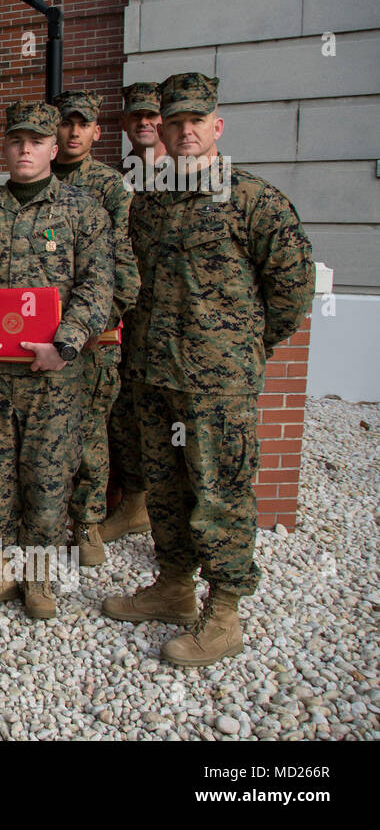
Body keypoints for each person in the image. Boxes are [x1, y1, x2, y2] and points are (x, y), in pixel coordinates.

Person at [102, 73, 314, 666]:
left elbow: (291, 289)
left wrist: (244, 347)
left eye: (198, 121)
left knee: (219, 492)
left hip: (216, 384)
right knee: (166, 490)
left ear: (217, 127)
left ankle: (223, 614)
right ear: (162, 131)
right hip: (151, 375)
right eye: (175, 122)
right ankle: (173, 587)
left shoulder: (252, 199)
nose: (186, 130)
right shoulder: (147, 201)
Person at [0, 101, 112, 619]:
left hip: (52, 373)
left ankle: (37, 577)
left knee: (48, 474)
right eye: (16, 141)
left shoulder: (83, 211)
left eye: (36, 141)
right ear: (4, 148)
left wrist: (66, 344)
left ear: (54, 149)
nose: (25, 150)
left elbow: (98, 286)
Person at [51, 90, 140, 565]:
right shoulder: (32, 182)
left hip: (93, 339)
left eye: (82, 124)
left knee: (89, 430)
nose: (73, 132)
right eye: (66, 123)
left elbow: (123, 270)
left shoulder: (108, 188)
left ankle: (86, 523)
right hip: (40, 336)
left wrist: (89, 327)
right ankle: (43, 521)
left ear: (97, 132)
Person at [103, 81, 165, 544]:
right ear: (124, 124)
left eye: (153, 116)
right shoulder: (119, 178)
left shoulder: (189, 173)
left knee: (173, 421)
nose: (144, 123)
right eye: (136, 116)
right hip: (128, 314)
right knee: (125, 413)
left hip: (173, 317)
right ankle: (135, 505)